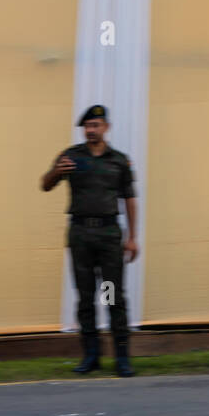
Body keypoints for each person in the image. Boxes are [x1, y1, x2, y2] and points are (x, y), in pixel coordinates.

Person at [41, 104, 140, 376]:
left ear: (106, 127)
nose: (91, 130)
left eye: (95, 125)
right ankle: (91, 357)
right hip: (81, 234)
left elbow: (129, 199)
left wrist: (132, 237)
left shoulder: (119, 160)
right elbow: (45, 184)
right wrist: (57, 172)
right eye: (87, 126)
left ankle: (122, 359)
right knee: (85, 298)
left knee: (112, 296)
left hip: (109, 235)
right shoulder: (71, 157)